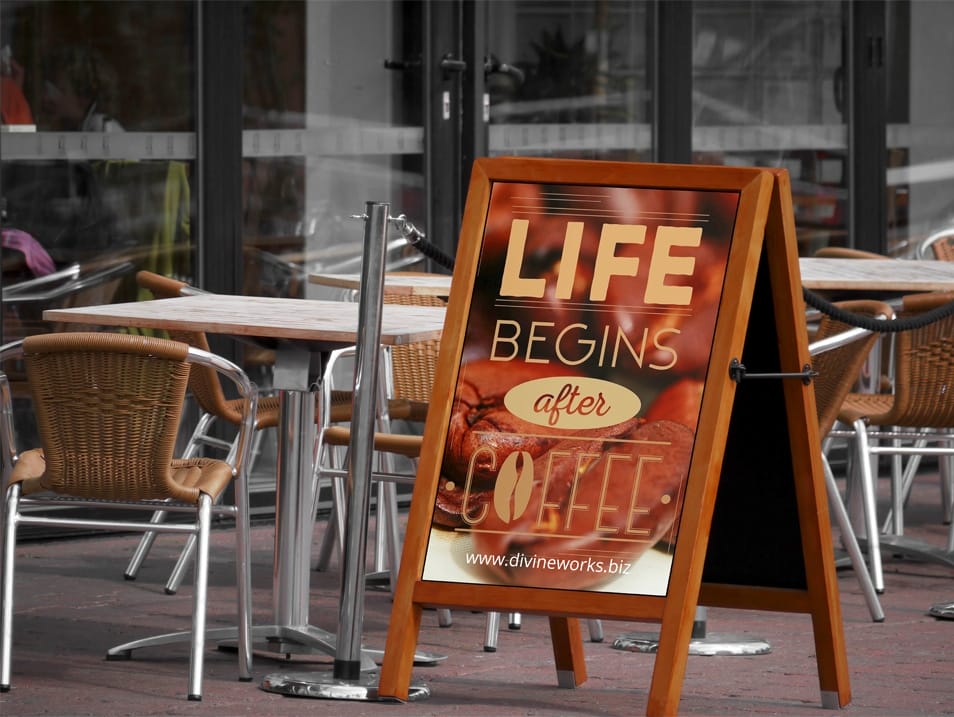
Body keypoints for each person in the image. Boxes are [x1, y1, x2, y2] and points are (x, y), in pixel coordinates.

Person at [40, 45, 123, 132]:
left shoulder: (98, 126)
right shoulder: (81, 126)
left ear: (84, 96)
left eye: (58, 90)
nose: (47, 98)